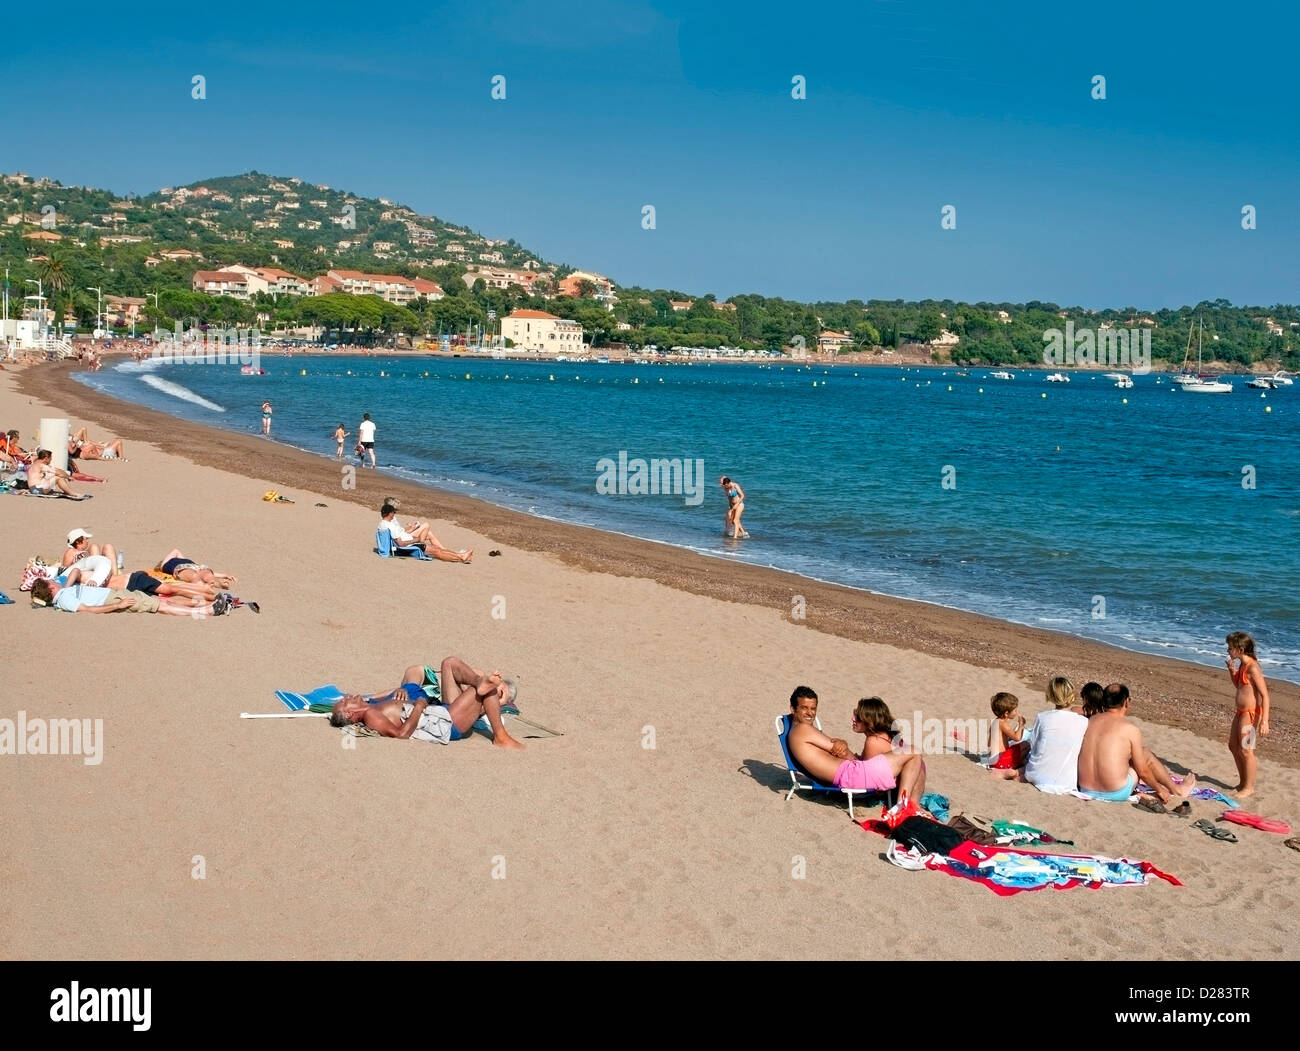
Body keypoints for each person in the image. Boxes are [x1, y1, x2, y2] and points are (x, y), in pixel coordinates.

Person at [329, 657, 523, 750]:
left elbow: (397, 699)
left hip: (441, 711)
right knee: (484, 690)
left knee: (450, 663)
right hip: (447, 723)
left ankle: (479, 681)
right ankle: (500, 736)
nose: (347, 697)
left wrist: (402, 690)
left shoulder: (372, 704)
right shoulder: (370, 716)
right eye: (345, 702)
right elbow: (401, 734)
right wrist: (419, 707)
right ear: (348, 715)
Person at [786, 686, 926, 801]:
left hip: (851, 773)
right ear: (793, 709)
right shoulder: (802, 729)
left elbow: (836, 750)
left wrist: (844, 748)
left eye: (813, 708)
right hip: (852, 776)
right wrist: (845, 747)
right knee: (913, 752)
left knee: (912, 756)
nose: (810, 713)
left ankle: (907, 806)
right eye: (804, 708)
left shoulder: (798, 731)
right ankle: (904, 806)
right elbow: (839, 749)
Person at [1076, 683, 1196, 806]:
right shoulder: (1130, 728)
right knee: (1144, 754)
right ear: (1127, 702)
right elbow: (1142, 770)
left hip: (1086, 789)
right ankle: (1178, 790)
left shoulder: (1090, 721)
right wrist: (1160, 790)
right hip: (1115, 792)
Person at [29, 576, 228, 617]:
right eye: (51, 583)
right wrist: (118, 605)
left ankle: (203, 606)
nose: (54, 581)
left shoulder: (62, 592)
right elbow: (88, 609)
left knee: (158, 602)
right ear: (51, 589)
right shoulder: (64, 598)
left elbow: (67, 575)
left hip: (113, 595)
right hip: (112, 600)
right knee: (158, 605)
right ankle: (207, 610)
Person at [1022, 676, 1089, 794]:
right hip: (1066, 782)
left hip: (1036, 774)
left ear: (1050, 695)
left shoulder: (1042, 717)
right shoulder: (1083, 722)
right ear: (1072, 694)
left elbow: (1033, 745)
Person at [1225, 631, 1270, 798]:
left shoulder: (1253, 667)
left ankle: (1249, 787)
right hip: (1240, 712)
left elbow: (1265, 695)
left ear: (1240, 649)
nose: (1228, 651)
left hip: (1251, 714)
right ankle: (1243, 782)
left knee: (1246, 750)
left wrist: (1265, 721)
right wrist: (1232, 671)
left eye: (1230, 648)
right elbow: (1239, 686)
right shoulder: (1243, 665)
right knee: (1233, 746)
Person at [379, 503, 472, 562]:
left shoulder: (383, 524)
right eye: (393, 513)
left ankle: (460, 555)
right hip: (407, 547)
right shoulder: (390, 526)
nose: (394, 514)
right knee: (436, 551)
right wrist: (417, 539)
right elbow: (401, 544)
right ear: (389, 513)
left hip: (406, 543)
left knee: (435, 548)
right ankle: (461, 557)